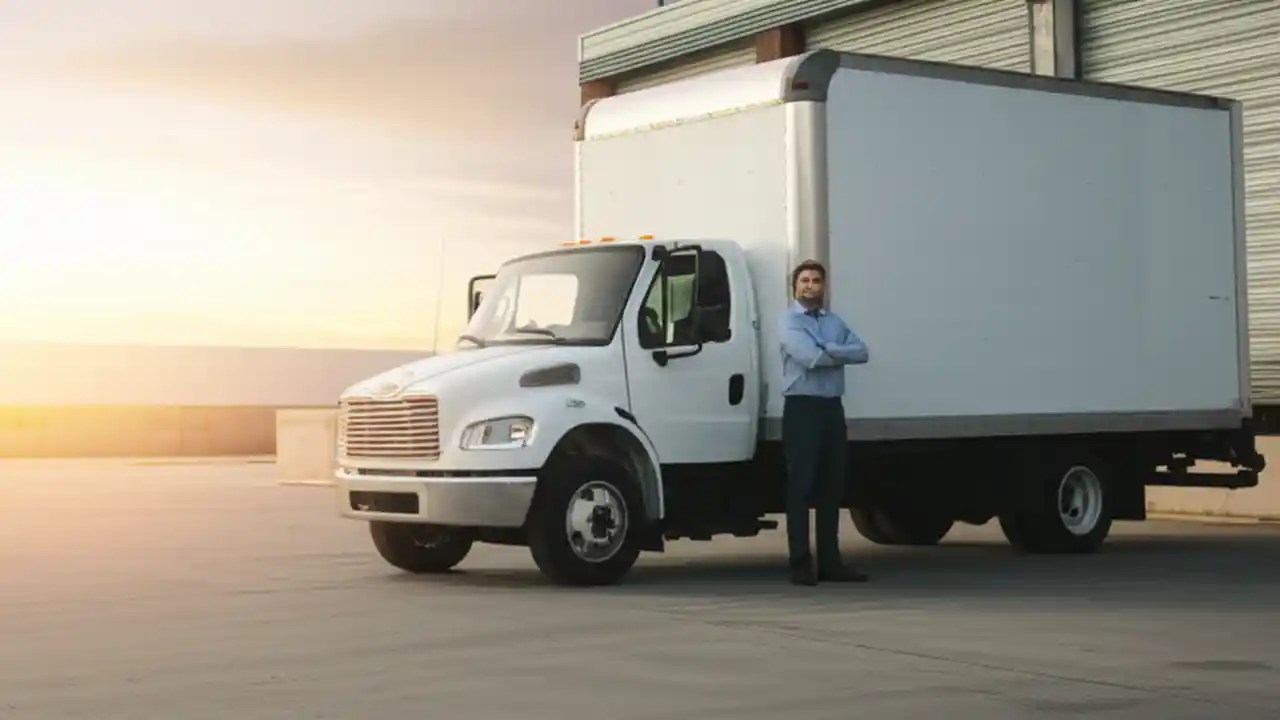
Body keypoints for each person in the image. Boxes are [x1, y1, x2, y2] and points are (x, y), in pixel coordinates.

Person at [778, 259, 870, 586]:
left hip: (832, 408)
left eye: (816, 280)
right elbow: (809, 358)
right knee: (801, 487)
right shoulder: (788, 321)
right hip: (802, 408)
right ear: (796, 286)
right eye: (804, 280)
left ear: (823, 286)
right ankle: (801, 564)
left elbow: (862, 352)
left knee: (832, 487)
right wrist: (834, 353)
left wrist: (828, 348)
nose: (810, 286)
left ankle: (831, 563)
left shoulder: (834, 322)